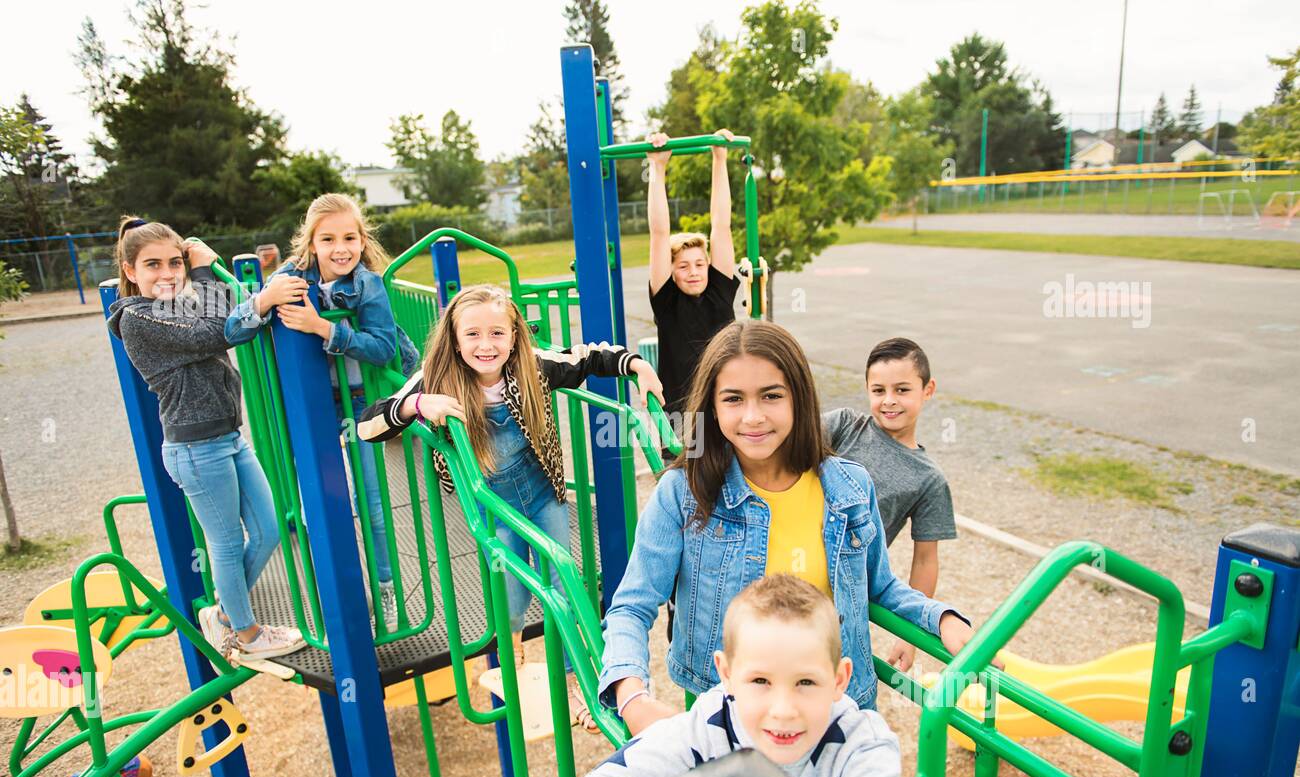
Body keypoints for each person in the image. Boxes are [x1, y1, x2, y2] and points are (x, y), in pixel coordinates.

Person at [598, 320, 980, 736]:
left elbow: (881, 588)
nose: (753, 416)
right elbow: (631, 607)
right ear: (712, 406)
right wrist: (631, 695)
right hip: (733, 718)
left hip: (834, 709)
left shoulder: (848, 487)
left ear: (799, 397)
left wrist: (942, 619)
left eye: (771, 396)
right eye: (733, 399)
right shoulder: (684, 493)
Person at [356, 284, 665, 732]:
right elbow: (368, 425)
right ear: (455, 339)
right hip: (494, 510)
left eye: (498, 333)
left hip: (542, 496)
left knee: (566, 586)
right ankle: (513, 653)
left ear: (515, 335)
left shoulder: (531, 367)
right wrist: (420, 404)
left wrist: (636, 364)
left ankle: (584, 682)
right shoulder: (436, 378)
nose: (486, 345)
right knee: (513, 597)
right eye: (474, 334)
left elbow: (588, 357)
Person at [577, 573, 912, 777]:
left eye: (806, 682)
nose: (783, 710)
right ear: (727, 674)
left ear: (839, 680)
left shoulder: (861, 742)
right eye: (760, 681)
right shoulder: (712, 722)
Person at [107, 216, 304, 661]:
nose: (167, 273)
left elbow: (234, 317)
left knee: (269, 530)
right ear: (130, 271)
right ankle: (248, 635)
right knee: (229, 543)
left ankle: (223, 613)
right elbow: (216, 330)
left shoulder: (177, 306)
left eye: (175, 263)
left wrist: (213, 278)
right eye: (153, 265)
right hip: (195, 449)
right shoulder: (136, 318)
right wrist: (202, 272)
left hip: (230, 438)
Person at [226, 193, 419, 632]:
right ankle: (338, 593)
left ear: (362, 238)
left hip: (358, 399)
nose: (341, 248)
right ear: (310, 243)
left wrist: (323, 327)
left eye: (350, 237)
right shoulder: (289, 278)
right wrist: (264, 299)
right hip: (309, 407)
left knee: (370, 502)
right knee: (320, 502)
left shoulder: (367, 283)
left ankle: (386, 590)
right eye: (328, 238)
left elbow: (384, 347)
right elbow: (232, 330)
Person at [823, 337, 957, 616]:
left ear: (928, 390)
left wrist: (910, 634)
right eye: (879, 390)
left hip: (846, 586)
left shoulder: (929, 479)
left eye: (902, 389)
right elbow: (787, 443)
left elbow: (924, 560)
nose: (889, 401)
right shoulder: (843, 425)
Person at [646, 128, 741, 447]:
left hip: (726, 405)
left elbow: (721, 224)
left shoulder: (719, 291)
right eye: (683, 266)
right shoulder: (666, 301)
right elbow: (659, 234)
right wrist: (658, 168)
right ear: (671, 272)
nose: (694, 272)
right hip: (681, 414)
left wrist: (719, 158)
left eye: (700, 264)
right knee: (686, 488)